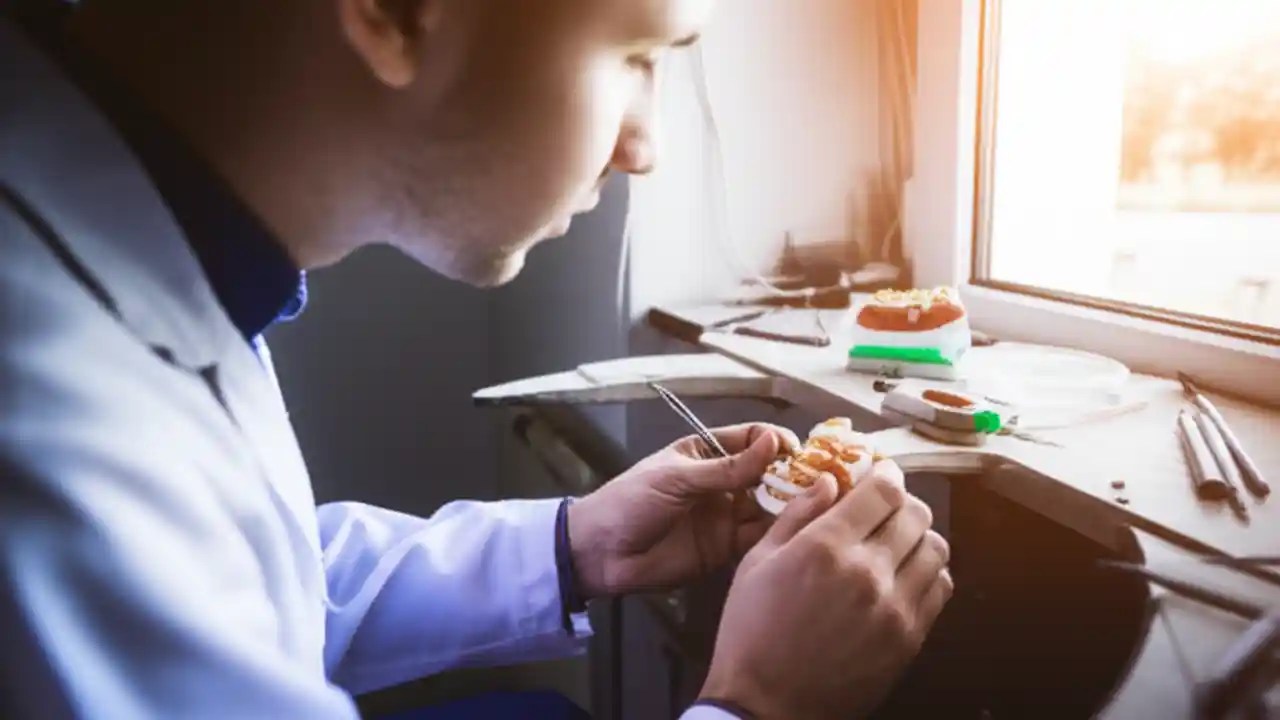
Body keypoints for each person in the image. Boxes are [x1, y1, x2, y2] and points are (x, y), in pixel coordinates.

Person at [0, 1, 953, 718]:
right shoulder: (47, 427)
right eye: (633, 55)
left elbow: (253, 587)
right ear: (398, 11)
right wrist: (760, 702)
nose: (646, 146)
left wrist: (575, 546)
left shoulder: (139, 255)